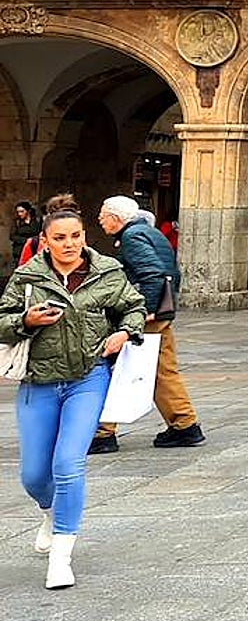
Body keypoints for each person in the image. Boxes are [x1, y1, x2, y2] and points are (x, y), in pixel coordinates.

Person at [0, 207, 148, 589]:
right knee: (34, 475)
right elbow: (2, 320)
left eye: (76, 236)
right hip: (38, 382)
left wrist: (125, 333)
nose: (70, 244)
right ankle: (49, 512)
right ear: (45, 241)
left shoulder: (107, 272)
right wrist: (26, 321)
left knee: (68, 464)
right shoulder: (28, 276)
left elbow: (135, 306)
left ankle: (61, 557)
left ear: (85, 236)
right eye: (60, 238)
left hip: (88, 378)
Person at [91, 196, 203, 454]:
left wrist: (146, 311)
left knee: (117, 366)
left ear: (117, 218)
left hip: (146, 315)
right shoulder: (148, 232)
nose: (99, 219)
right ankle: (185, 425)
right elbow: (172, 272)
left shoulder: (132, 237)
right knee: (163, 370)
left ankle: (103, 432)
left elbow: (152, 273)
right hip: (162, 312)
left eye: (103, 214)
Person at [10, 201, 39, 272]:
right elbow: (12, 236)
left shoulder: (37, 221)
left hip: (34, 250)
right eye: (18, 212)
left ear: (28, 211)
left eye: (22, 211)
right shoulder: (17, 222)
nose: (20, 214)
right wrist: (26, 240)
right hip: (20, 251)